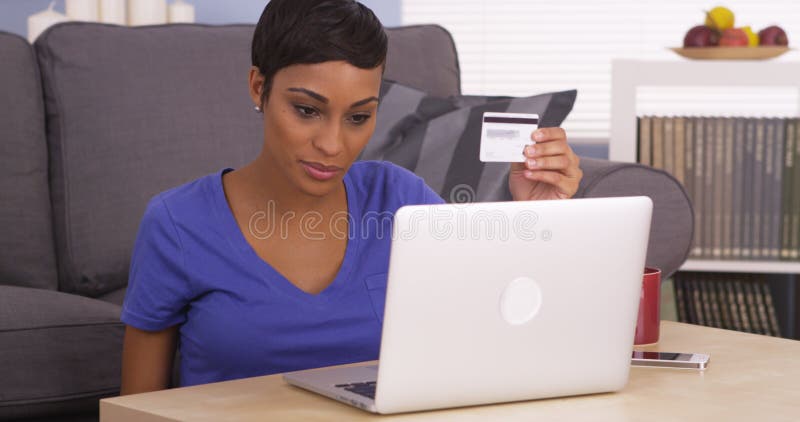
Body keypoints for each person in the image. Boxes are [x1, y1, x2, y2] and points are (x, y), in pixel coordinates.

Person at [119, 0, 582, 395]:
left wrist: (540, 212)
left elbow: (502, 326)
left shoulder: (400, 200)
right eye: (307, 110)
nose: (333, 145)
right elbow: (134, 411)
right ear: (259, 87)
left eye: (358, 117)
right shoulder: (177, 223)